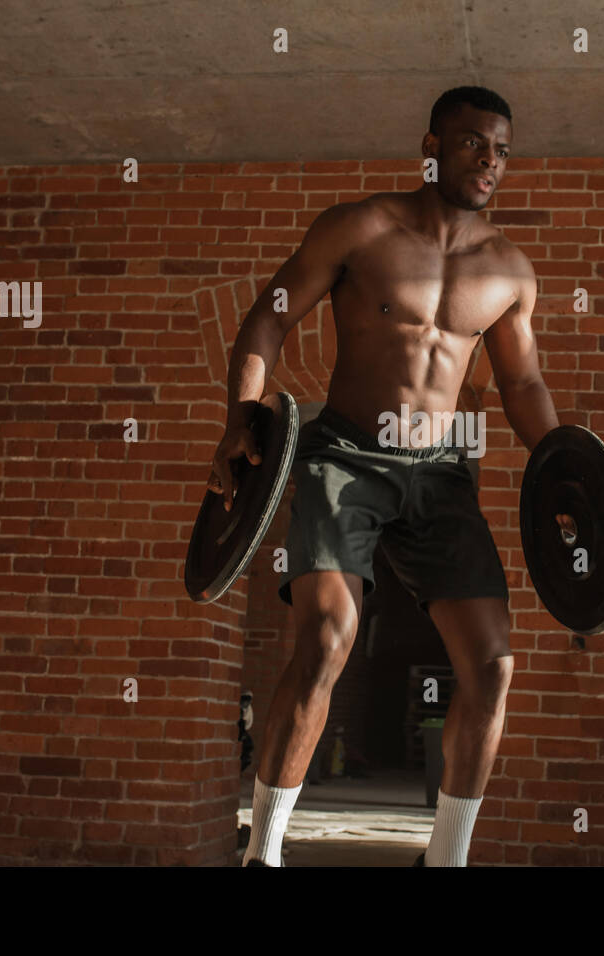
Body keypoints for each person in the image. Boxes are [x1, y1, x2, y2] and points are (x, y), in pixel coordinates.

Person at [209, 86, 564, 867]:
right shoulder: (359, 228)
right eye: (473, 143)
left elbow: (522, 388)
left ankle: (446, 858)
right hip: (346, 458)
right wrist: (242, 415)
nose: (489, 161)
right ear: (432, 144)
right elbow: (271, 314)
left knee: (493, 667)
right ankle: (262, 853)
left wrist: (566, 470)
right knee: (327, 642)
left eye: (502, 149)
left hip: (443, 475)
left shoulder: (508, 270)